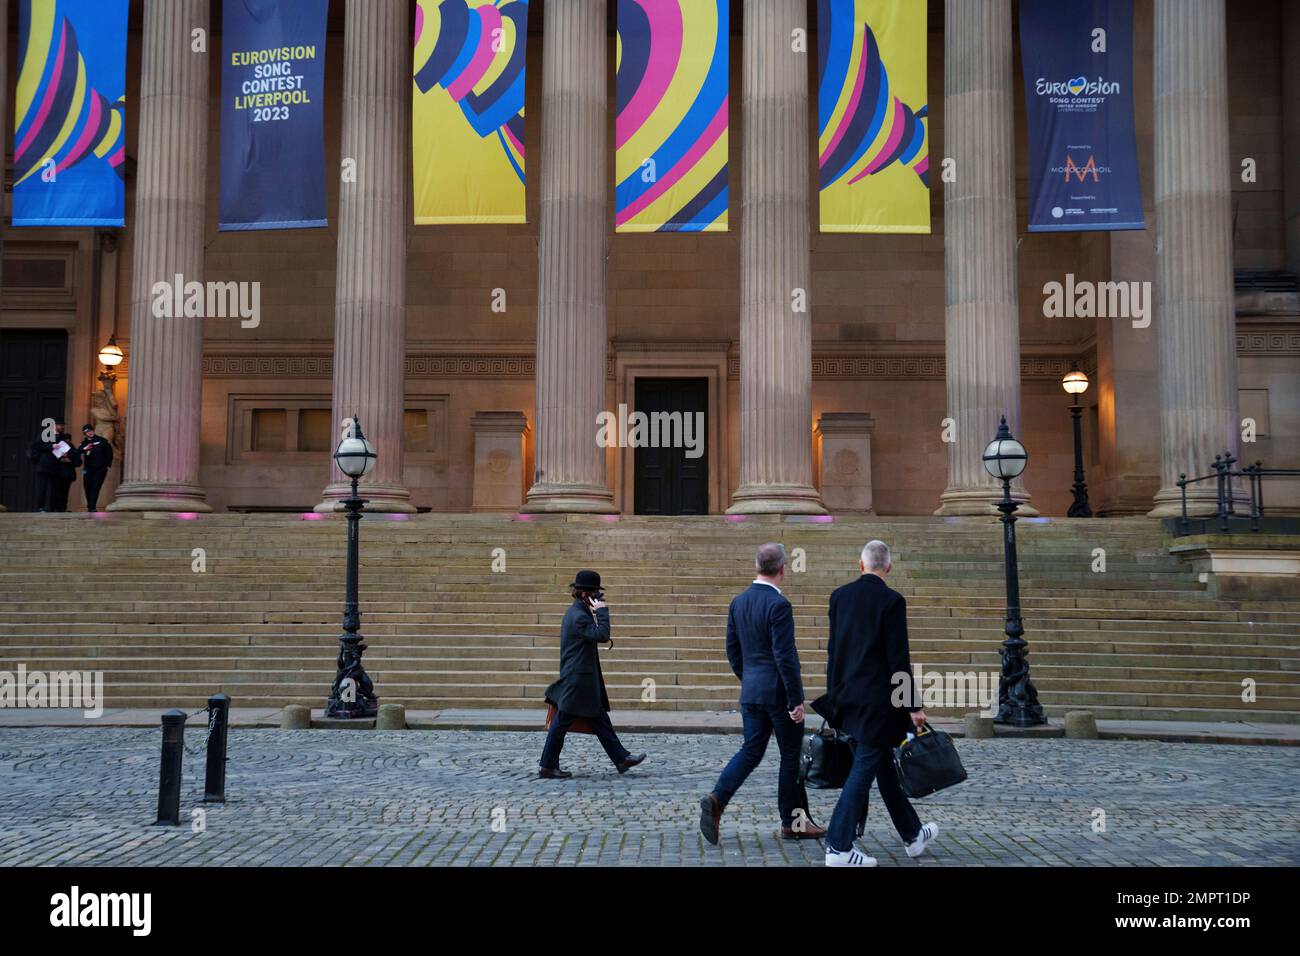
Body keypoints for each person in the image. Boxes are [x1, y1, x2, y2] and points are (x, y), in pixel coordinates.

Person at [820, 539, 939, 867]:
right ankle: (838, 846)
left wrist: (833, 700)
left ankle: (913, 835)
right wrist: (914, 707)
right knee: (863, 770)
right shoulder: (892, 601)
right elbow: (898, 661)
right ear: (888, 567)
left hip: (847, 698)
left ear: (860, 565)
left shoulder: (839, 597)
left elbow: (834, 653)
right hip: (878, 705)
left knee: (883, 767)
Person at [698, 543, 824, 844]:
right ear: (782, 569)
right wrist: (795, 700)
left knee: (751, 751)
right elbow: (785, 656)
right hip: (779, 694)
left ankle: (718, 798)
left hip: (752, 691)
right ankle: (792, 823)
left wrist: (749, 678)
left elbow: (732, 649)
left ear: (757, 566)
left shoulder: (738, 602)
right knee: (791, 757)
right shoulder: (779, 605)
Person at [539, 569, 646, 779]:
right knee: (561, 722)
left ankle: (621, 758)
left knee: (598, 719)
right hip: (578, 680)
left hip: (582, 678)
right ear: (585, 594)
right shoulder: (579, 615)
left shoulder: (578, 611)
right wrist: (603, 612)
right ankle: (547, 765)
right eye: (597, 594)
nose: (599, 598)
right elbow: (602, 635)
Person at [28, 422, 80, 512]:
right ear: (55, 426)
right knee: (42, 488)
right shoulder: (46, 434)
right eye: (60, 425)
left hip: (56, 467)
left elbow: (68, 449)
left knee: (55, 489)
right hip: (44, 466)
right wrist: (51, 446)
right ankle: (40, 507)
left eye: (63, 425)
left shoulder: (62, 437)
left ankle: (54, 508)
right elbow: (36, 446)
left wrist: (67, 454)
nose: (62, 427)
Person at [79, 424, 114, 512]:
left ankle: (92, 507)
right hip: (88, 469)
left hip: (100, 469)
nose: (90, 433)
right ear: (84, 433)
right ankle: (89, 505)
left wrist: (107, 465)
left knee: (96, 486)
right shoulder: (83, 443)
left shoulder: (102, 441)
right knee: (87, 487)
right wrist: (84, 448)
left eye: (91, 430)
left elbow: (109, 452)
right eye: (87, 432)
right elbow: (78, 451)